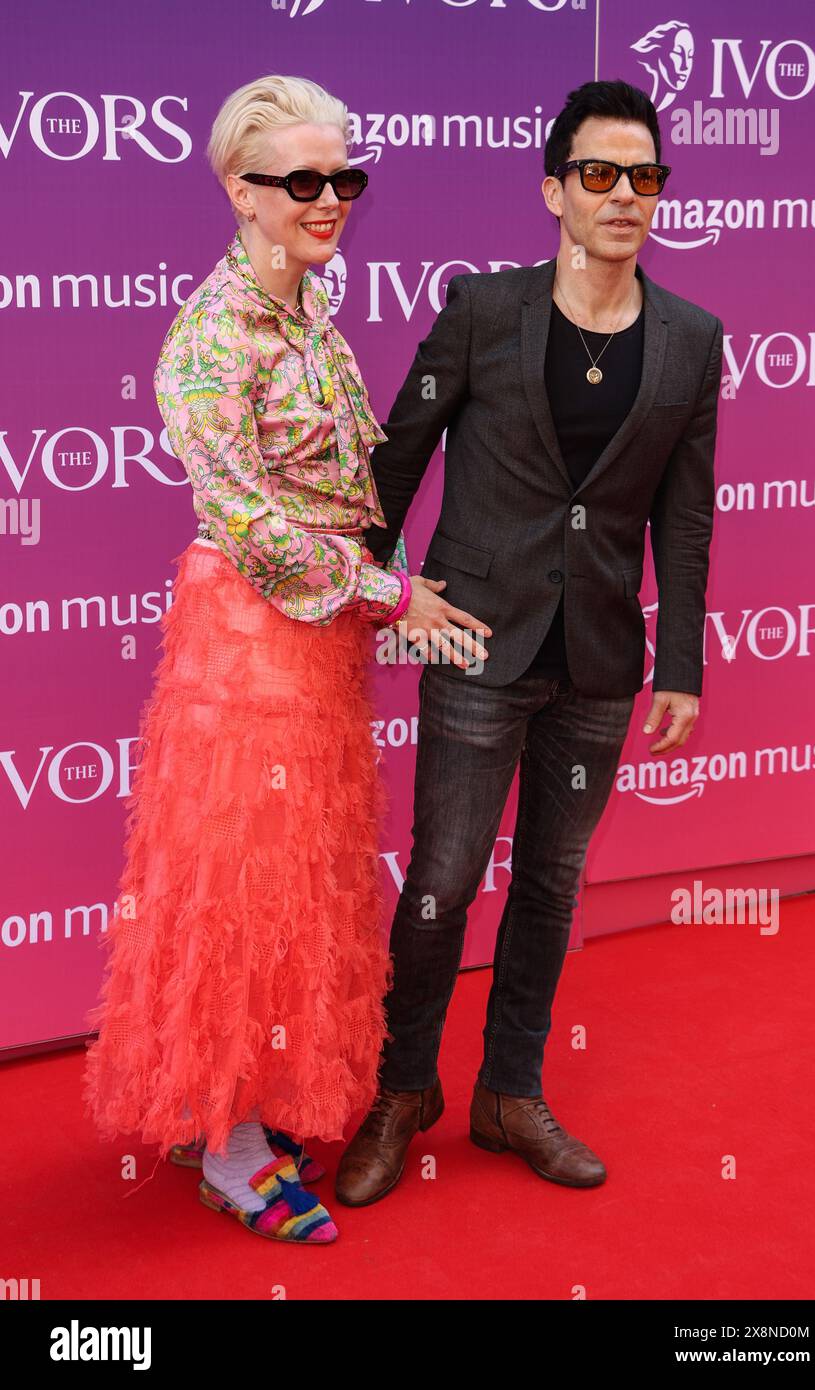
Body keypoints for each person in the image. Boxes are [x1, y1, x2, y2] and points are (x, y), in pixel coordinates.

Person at [81, 74, 490, 1244]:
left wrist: (385, 583)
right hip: (248, 649)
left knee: (294, 890)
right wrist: (390, 591)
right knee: (235, 895)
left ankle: (238, 1103)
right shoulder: (210, 334)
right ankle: (226, 1145)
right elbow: (252, 519)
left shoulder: (310, 308)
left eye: (342, 178)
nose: (328, 200)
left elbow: (340, 481)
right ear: (239, 190)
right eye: (299, 182)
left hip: (313, 654)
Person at [336, 80, 724, 1205]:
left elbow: (683, 515)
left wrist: (681, 662)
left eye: (642, 177)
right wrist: (383, 591)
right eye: (596, 174)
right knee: (442, 880)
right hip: (472, 647)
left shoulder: (690, 340)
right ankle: (402, 1089)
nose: (621, 196)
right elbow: (393, 463)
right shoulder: (479, 312)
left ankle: (510, 1092)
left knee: (550, 885)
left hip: (598, 661)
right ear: (553, 189)